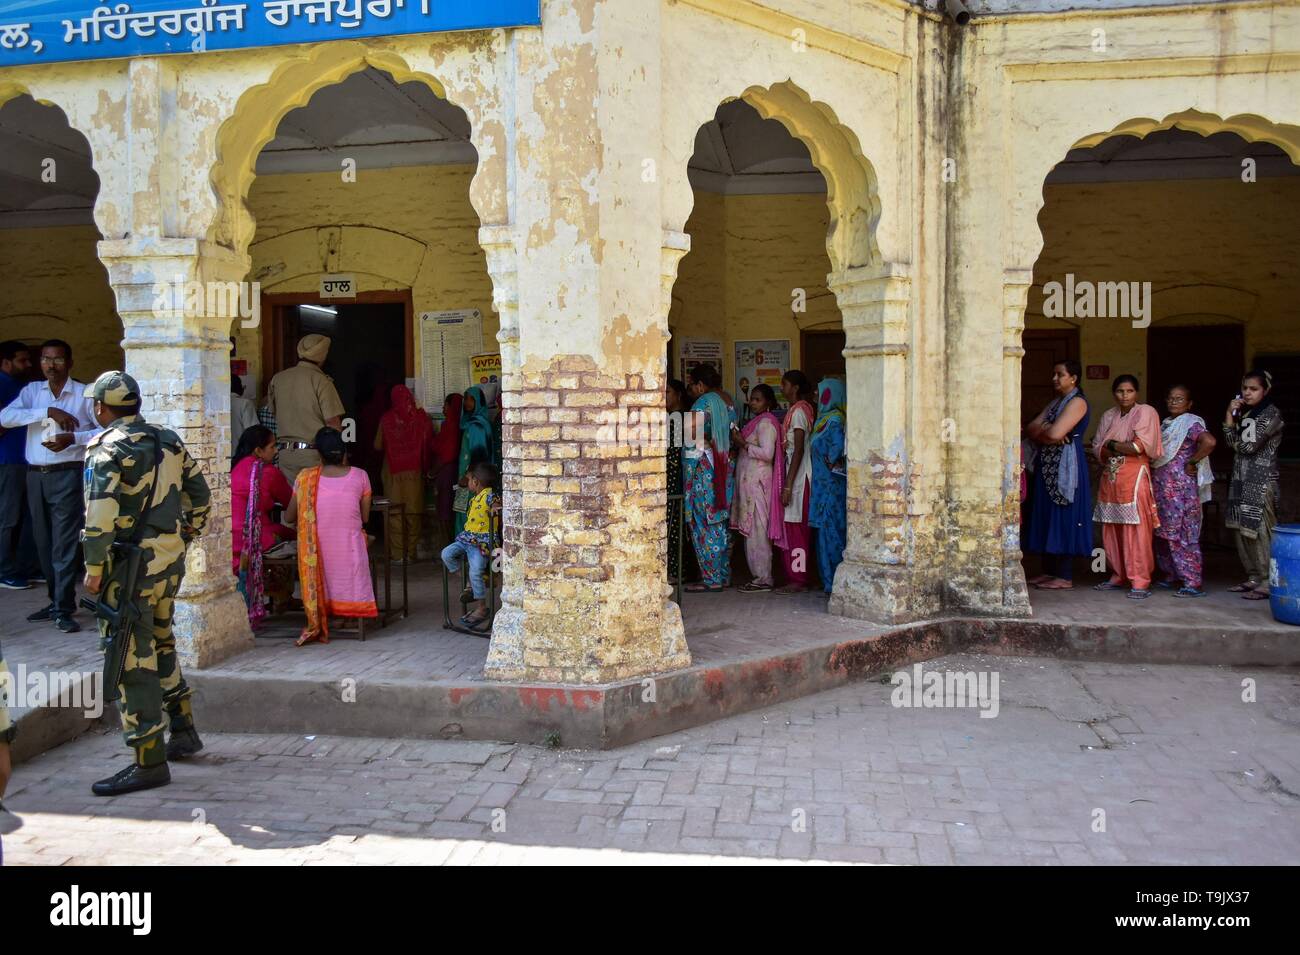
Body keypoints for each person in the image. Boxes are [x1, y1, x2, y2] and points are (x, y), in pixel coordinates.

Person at [81, 371, 211, 796]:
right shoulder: (168, 439)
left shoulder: (105, 448)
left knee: (130, 660)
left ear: (102, 407)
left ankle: (148, 761)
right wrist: (184, 535)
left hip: (127, 568)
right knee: (161, 642)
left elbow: (99, 516)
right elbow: (201, 495)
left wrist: (95, 569)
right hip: (167, 561)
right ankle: (183, 729)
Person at [0, 340, 99, 632]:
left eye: (56, 360)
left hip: (68, 473)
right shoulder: (32, 392)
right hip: (34, 475)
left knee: (64, 542)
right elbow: (5, 417)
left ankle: (64, 606)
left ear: (69, 362)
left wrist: (75, 439)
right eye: (45, 359)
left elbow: (105, 429)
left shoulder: (83, 394)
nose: (50, 365)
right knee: (43, 542)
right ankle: (56, 600)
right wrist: (48, 411)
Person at [285, 427, 377, 646]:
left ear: (319, 455)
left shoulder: (305, 478)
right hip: (350, 549)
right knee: (361, 538)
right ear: (344, 451)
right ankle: (350, 615)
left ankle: (330, 613)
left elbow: (290, 517)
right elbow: (364, 517)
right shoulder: (360, 475)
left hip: (315, 552)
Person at [1022, 360, 1092, 590]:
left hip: (1066, 466)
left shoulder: (1078, 402)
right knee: (1046, 513)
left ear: (1073, 378)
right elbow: (1032, 429)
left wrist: (1047, 431)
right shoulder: (1056, 403)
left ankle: (1064, 575)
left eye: (1060, 374)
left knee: (1064, 515)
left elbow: (1054, 432)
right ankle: (1048, 571)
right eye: (1054, 374)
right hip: (1047, 465)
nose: (1054, 378)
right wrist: (1047, 432)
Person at [1092, 374, 1163, 599]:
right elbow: (1097, 448)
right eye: (1121, 391)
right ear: (1114, 394)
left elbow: (1139, 447)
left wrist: (1111, 444)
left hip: (1135, 476)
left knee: (1137, 529)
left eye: (1130, 391)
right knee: (1111, 527)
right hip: (1111, 477)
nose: (1125, 395)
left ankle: (1140, 580)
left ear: (1137, 393)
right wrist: (1116, 446)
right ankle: (1117, 574)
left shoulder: (1146, 412)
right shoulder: (1108, 415)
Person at [1223, 370, 1285, 600]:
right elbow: (1233, 442)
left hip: (1260, 481)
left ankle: (1268, 581)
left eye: (1254, 389)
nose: (1248, 393)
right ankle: (1253, 577)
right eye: (1245, 388)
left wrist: (1231, 421)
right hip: (1241, 479)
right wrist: (1230, 415)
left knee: (1259, 531)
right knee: (1241, 529)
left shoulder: (1270, 414)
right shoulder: (1247, 414)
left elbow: (1247, 447)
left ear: (1265, 390)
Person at [1151, 385, 1216, 598]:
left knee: (1183, 535)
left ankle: (1192, 582)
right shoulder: (1167, 425)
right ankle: (1172, 576)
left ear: (1189, 404)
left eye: (1179, 399)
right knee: (1164, 534)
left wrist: (1192, 461)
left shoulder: (1191, 424)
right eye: (1170, 398)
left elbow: (1209, 442)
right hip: (1164, 493)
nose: (1173, 402)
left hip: (1181, 493)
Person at [231, 425, 295, 626]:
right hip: (252, 536)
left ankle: (279, 597)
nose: (276, 451)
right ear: (258, 451)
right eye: (272, 446)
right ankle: (282, 596)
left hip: (230, 537)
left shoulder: (235, 468)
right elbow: (292, 506)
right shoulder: (268, 472)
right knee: (291, 537)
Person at [266, 333, 345, 484]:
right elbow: (333, 422)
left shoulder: (278, 378)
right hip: (314, 454)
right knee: (316, 503)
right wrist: (340, 457)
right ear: (323, 356)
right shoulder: (321, 381)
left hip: (285, 454)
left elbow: (273, 413)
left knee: (293, 503)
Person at [683, 364, 732, 592]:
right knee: (720, 523)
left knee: (704, 523)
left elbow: (690, 440)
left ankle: (711, 579)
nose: (690, 389)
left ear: (700, 385)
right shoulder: (727, 403)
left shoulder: (701, 404)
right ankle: (723, 574)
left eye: (692, 385)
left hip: (703, 471)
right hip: (723, 469)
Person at [375, 384, 434, 562]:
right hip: (414, 474)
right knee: (413, 515)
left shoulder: (386, 419)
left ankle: (398, 555)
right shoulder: (422, 419)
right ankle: (410, 554)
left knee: (395, 516)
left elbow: (377, 445)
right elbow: (429, 446)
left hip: (393, 474)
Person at [731, 383, 781, 593]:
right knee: (752, 531)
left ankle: (763, 578)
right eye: (752, 398)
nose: (752, 402)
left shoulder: (767, 424)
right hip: (750, 485)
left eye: (758, 399)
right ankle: (758, 576)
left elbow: (767, 454)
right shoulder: (756, 422)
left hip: (758, 486)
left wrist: (743, 443)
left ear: (768, 402)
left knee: (758, 532)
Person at [441, 460, 501, 633]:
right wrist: (464, 481)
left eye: (469, 480)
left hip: (481, 542)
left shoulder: (489, 495)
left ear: (476, 481)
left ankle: (482, 608)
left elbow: (497, 503)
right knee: (446, 554)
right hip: (467, 539)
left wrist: (495, 510)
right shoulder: (473, 496)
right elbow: (461, 491)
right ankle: (470, 581)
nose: (466, 483)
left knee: (476, 570)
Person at [0, 341, 37, 590]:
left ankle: (24, 568)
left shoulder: (18, 386)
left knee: (25, 517)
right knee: (8, 518)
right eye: (22, 360)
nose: (29, 365)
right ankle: (4, 571)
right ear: (5, 362)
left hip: (22, 459)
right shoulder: (2, 384)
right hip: (7, 460)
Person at [775, 369, 815, 594]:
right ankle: (799, 576)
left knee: (796, 529)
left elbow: (797, 450)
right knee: (795, 528)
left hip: (799, 479)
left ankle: (798, 579)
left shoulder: (799, 412)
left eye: (785, 384)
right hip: (797, 476)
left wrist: (788, 485)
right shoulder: (798, 410)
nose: (782, 388)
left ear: (795, 387)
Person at [809, 377, 848, 594]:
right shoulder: (823, 420)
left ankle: (833, 582)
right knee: (823, 534)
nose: (815, 394)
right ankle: (827, 581)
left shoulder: (834, 421)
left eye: (820, 391)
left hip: (831, 487)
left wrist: (832, 460)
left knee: (831, 533)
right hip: (822, 486)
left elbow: (836, 449)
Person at [455, 385, 494, 534]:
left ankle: (466, 553)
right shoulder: (473, 423)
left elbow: (479, 454)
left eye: (472, 400)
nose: (467, 403)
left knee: (467, 514)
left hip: (473, 480)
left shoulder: (477, 425)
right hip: (469, 477)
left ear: (479, 402)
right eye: (466, 399)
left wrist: (467, 476)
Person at [431, 393, 462, 546]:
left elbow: (447, 454)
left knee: (445, 510)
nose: (443, 408)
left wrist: (433, 471)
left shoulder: (450, 426)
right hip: (452, 472)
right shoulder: (458, 424)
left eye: (445, 405)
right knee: (450, 508)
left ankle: (448, 547)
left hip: (446, 473)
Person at [664, 379, 688, 583]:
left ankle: (677, 571)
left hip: (675, 477)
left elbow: (677, 453)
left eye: (668, 392)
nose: (665, 396)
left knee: (674, 524)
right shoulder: (671, 417)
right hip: (672, 477)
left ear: (679, 394)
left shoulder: (679, 418)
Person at [230, 374, 259, 448]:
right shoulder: (245, 403)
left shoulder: (219, 405)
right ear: (240, 388)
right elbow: (253, 431)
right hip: (240, 452)